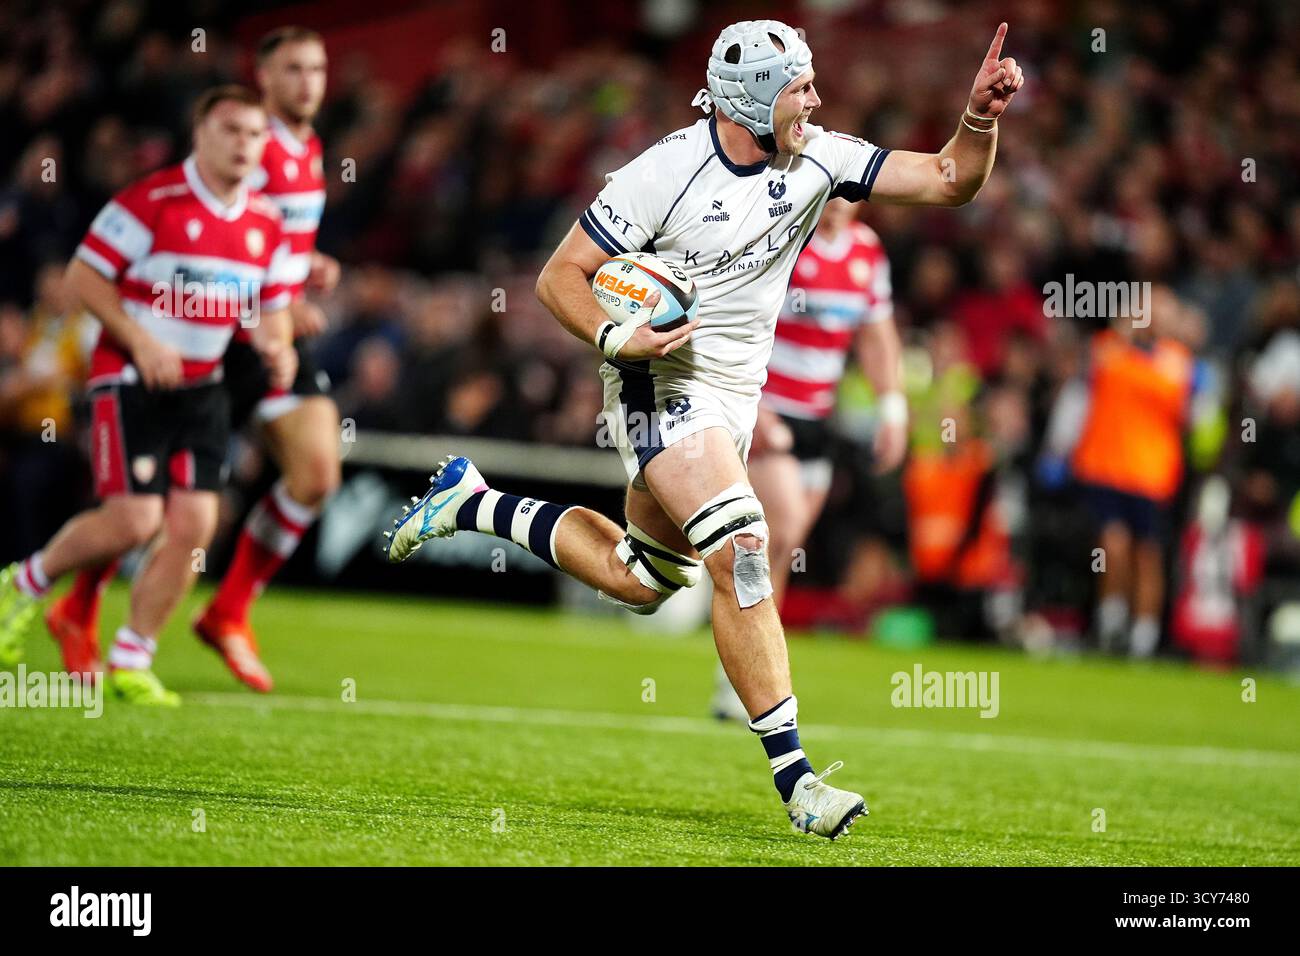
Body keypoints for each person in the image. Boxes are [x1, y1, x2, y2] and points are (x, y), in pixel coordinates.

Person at [385, 20, 1022, 839]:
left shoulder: (817, 157)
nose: (817, 100)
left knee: (642, 580)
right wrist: (619, 338)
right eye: (801, 87)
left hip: (734, 400)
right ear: (754, 99)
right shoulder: (663, 173)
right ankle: (800, 785)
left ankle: (473, 503)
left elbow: (946, 179)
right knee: (745, 550)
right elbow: (558, 277)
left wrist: (979, 117)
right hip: (660, 386)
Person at [47, 28, 342, 693]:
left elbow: (271, 244)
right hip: (217, 340)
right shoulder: (247, 145)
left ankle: (227, 611)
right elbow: (216, 242)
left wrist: (302, 273)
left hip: (267, 335)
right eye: (294, 69)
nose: (309, 83)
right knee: (151, 505)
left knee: (317, 473)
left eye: (318, 69)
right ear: (261, 79)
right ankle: (77, 600)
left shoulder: (310, 149)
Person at [0, 85, 297, 704]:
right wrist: (139, 340)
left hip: (203, 386)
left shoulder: (266, 224)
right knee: (134, 520)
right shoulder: (152, 200)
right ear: (202, 134)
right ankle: (23, 582)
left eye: (254, 135)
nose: (244, 145)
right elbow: (85, 275)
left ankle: (133, 655)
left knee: (195, 523)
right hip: (130, 377)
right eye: (231, 131)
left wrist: (281, 345)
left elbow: (272, 308)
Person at [711, 197, 906, 720]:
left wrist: (893, 406)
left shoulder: (867, 252)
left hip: (818, 419)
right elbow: (736, 314)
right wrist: (754, 402)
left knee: (777, 553)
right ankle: (741, 671)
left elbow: (877, 333)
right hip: (766, 407)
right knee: (785, 525)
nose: (841, 201)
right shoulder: (783, 239)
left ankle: (743, 672)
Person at [1070, 287, 1194, 656]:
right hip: (1105, 466)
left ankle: (1144, 633)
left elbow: (1175, 400)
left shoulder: (1175, 358)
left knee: (1148, 554)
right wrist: (1126, 330)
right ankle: (1111, 620)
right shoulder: (1109, 346)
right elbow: (1100, 369)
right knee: (1113, 544)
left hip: (1150, 471)